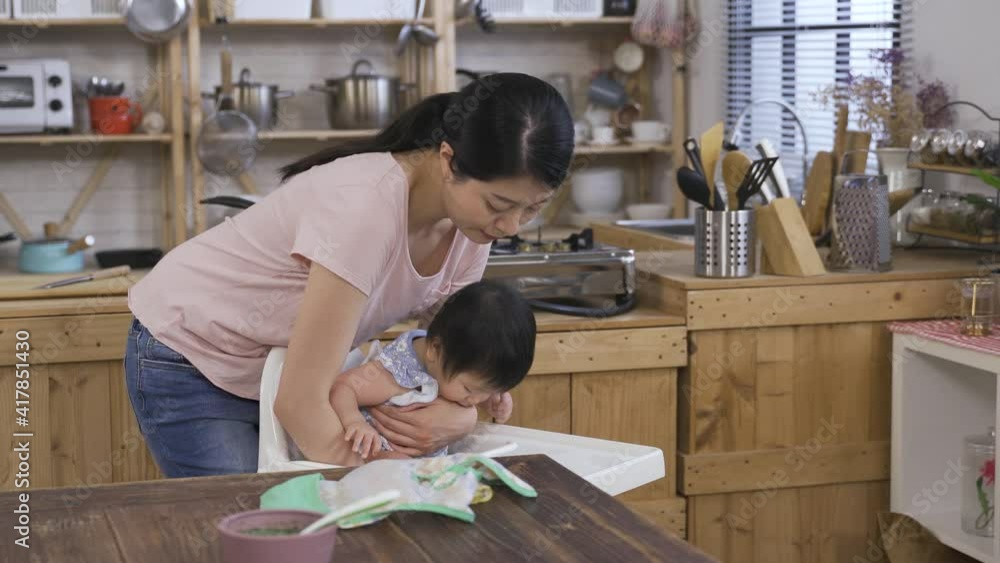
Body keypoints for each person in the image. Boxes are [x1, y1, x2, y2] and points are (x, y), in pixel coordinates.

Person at [122, 72, 575, 477]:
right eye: (499, 204)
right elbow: (299, 402)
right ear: (447, 159)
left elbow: (447, 356)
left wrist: (462, 415)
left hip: (285, 374)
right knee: (261, 524)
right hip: (193, 352)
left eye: (532, 209)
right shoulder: (364, 211)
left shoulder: (472, 229)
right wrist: (395, 482)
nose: (510, 227)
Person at [332, 280, 535, 464]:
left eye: (489, 390)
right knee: (398, 463)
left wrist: (490, 400)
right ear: (434, 350)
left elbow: (474, 386)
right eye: (469, 389)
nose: (475, 400)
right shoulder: (397, 370)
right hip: (378, 453)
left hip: (427, 462)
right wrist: (354, 421)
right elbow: (343, 387)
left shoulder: (451, 358)